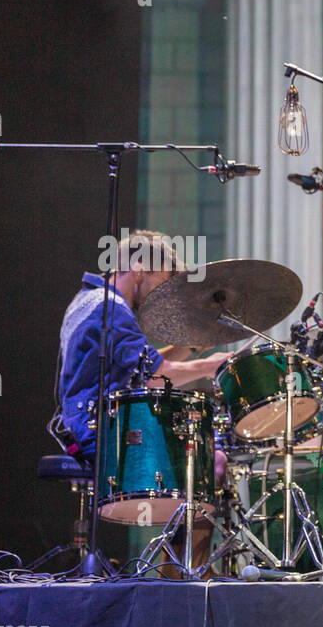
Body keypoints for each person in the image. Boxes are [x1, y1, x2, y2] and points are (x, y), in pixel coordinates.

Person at [52, 229, 229, 565]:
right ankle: (180, 571)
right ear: (139, 267)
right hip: (101, 431)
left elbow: (141, 366)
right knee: (210, 461)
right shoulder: (111, 309)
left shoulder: (91, 300)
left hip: (87, 422)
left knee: (206, 455)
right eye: (161, 280)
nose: (161, 291)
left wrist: (192, 348)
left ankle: (176, 568)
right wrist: (213, 365)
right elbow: (154, 374)